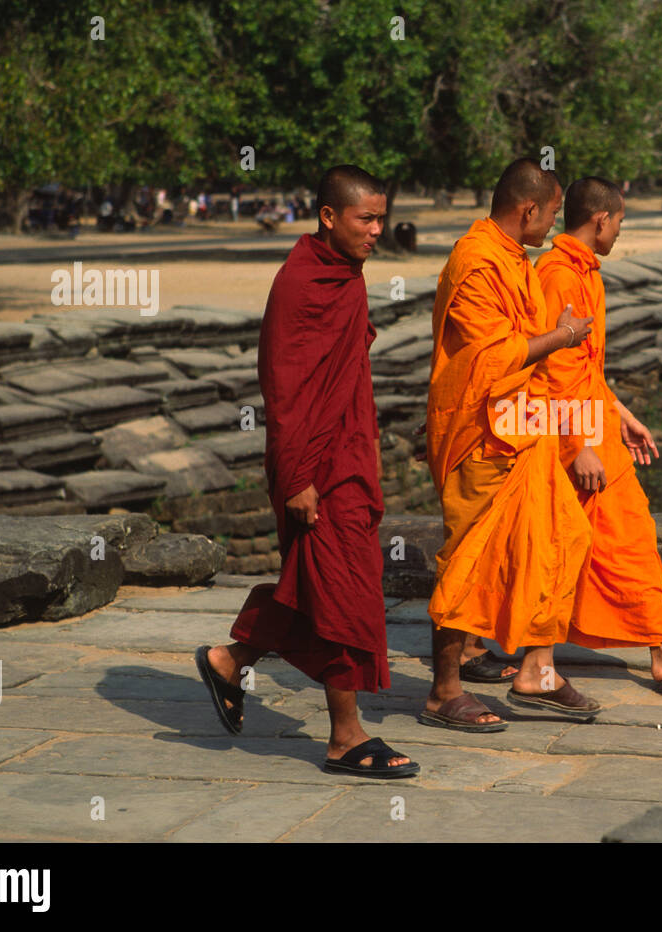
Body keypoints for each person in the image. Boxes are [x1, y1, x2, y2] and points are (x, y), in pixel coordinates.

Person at [196, 164, 418, 778]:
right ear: (329, 217)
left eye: (380, 217)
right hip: (313, 464)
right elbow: (286, 388)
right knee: (343, 591)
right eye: (365, 219)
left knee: (320, 583)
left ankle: (229, 658)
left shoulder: (344, 272)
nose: (377, 230)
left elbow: (344, 372)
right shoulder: (301, 282)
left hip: (345, 453)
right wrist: (296, 478)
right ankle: (345, 737)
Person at [533, 177, 662, 693]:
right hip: (575, 435)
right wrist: (579, 444)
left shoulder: (584, 274)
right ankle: (658, 653)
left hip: (594, 424)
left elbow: (587, 367)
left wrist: (621, 412)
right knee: (597, 543)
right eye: (621, 221)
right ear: (601, 219)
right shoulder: (560, 275)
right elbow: (555, 371)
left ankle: (654, 650)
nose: (621, 232)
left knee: (607, 543)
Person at [421, 157, 599, 731]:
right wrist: (563, 336)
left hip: (524, 428)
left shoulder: (514, 258)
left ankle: (538, 670)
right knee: (469, 559)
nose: (551, 226)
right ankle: (443, 691)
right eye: (549, 215)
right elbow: (493, 357)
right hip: (480, 434)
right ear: (528, 210)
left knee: (561, 537)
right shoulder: (476, 262)